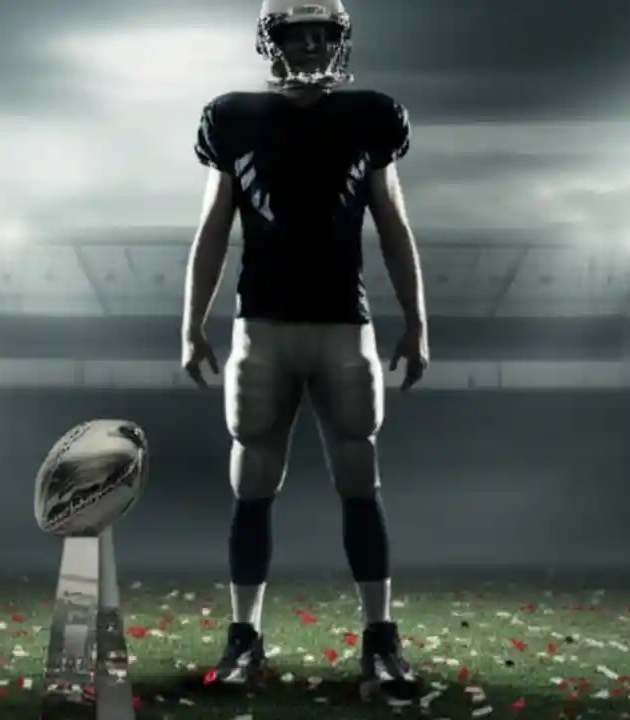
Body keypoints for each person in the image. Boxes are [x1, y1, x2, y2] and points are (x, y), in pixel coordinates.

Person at [178, 0, 428, 706]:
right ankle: (243, 638)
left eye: (323, 34)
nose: (313, 46)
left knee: (359, 476)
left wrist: (418, 322)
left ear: (340, 39)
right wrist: (191, 323)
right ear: (271, 42)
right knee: (252, 481)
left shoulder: (369, 117)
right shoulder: (232, 119)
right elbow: (212, 231)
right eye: (299, 34)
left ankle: (380, 640)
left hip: (343, 328)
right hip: (262, 327)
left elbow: (394, 227)